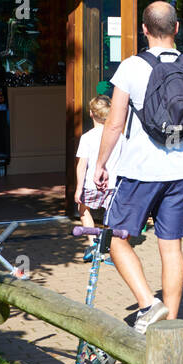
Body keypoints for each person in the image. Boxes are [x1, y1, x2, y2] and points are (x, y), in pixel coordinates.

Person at [93, 0, 183, 333]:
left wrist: (100, 164)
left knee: (115, 237)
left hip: (138, 173)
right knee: (171, 245)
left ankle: (149, 303)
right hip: (179, 172)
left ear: (144, 30)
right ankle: (170, 327)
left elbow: (114, 124)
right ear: (176, 28)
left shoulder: (131, 68)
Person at [73, 94, 121, 262]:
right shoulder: (119, 137)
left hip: (91, 185)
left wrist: (78, 188)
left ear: (91, 114)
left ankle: (93, 245)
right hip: (113, 184)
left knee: (84, 210)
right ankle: (107, 248)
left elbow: (82, 165)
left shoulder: (87, 137)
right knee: (110, 216)